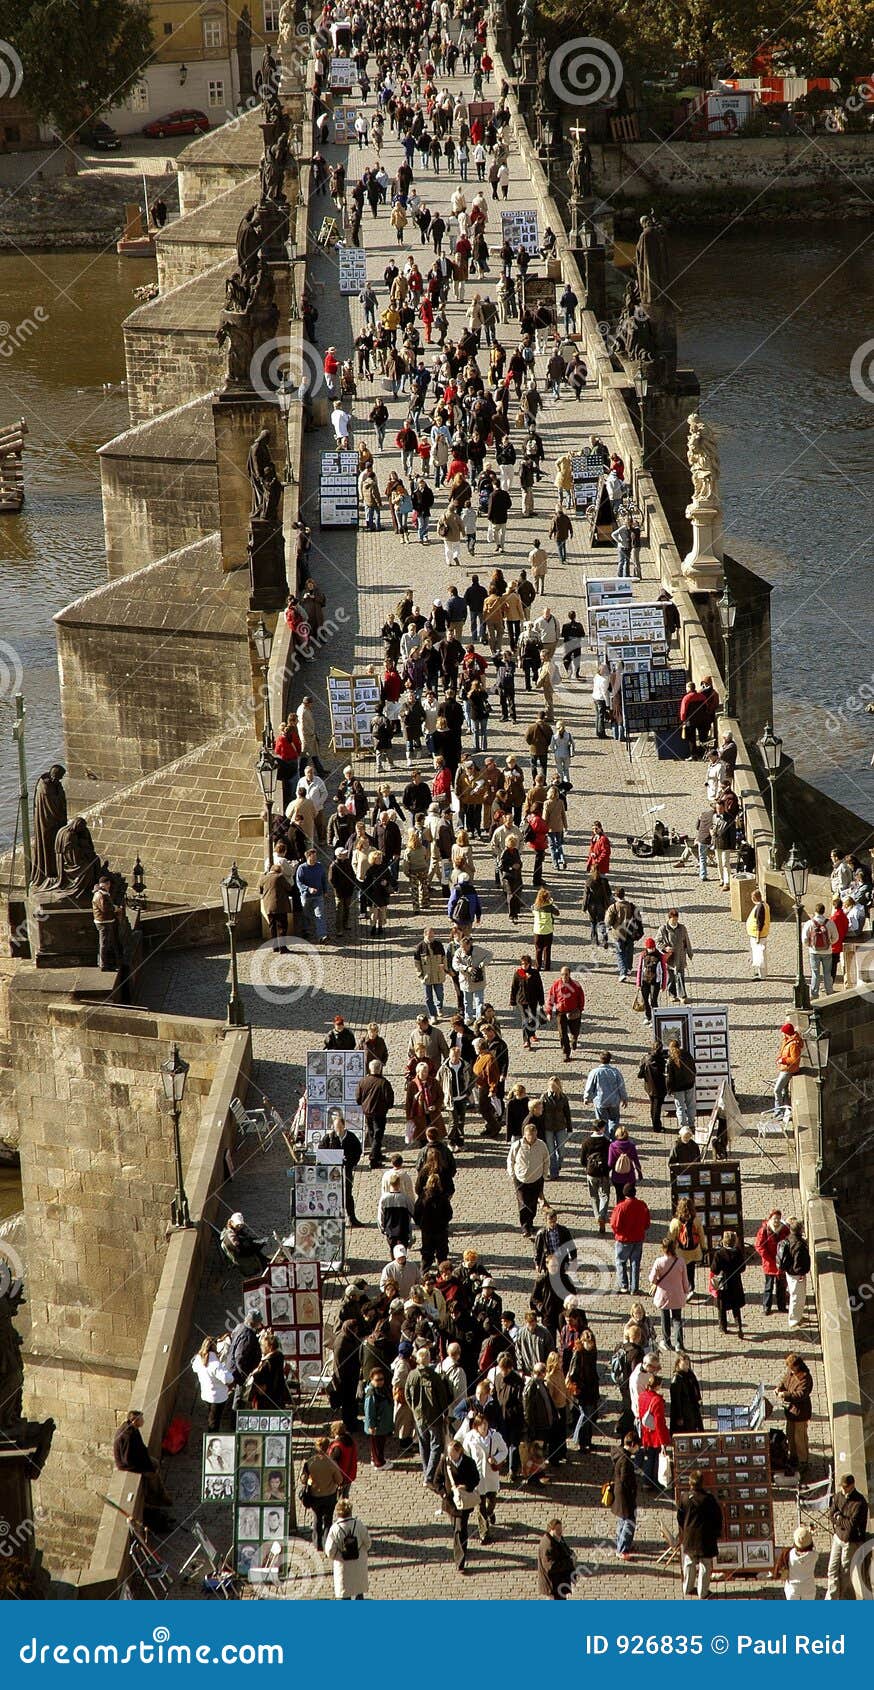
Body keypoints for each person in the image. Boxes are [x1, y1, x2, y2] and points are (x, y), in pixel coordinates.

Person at [406, 1346, 453, 1488]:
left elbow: (407, 1395)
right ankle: (429, 1476)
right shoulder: (434, 1376)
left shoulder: (412, 1375)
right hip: (434, 1417)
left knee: (423, 1444)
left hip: (419, 1417)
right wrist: (445, 1413)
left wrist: (414, 1410)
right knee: (436, 1446)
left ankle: (427, 1472)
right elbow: (442, 1397)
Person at [436, 1436, 481, 1573]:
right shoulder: (445, 1461)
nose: (450, 1455)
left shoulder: (469, 1462)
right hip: (450, 1503)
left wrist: (466, 1486)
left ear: (459, 1452)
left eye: (452, 1453)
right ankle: (460, 1547)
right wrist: (444, 1494)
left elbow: (476, 1479)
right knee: (456, 1528)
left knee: (460, 1529)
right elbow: (437, 1480)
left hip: (463, 1503)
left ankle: (460, 1561)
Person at [463, 1413, 509, 1543]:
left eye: (486, 1424)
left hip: (491, 1475)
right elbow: (466, 1454)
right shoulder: (470, 1438)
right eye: (482, 1425)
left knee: (492, 1500)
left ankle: (491, 1513)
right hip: (477, 1476)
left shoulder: (495, 1436)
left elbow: (504, 1450)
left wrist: (496, 1459)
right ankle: (484, 1533)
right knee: (480, 1504)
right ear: (476, 1426)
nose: (484, 1427)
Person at [677, 1470, 723, 1600]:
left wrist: (683, 1530)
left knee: (689, 1562)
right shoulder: (709, 1499)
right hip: (705, 1537)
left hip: (689, 1536)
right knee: (705, 1565)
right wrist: (716, 1532)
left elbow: (679, 1517)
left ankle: (687, 1587)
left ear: (690, 1483)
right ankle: (703, 1592)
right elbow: (717, 1517)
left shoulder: (684, 1497)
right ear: (702, 1483)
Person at [827, 1474, 869, 1598]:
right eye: (842, 1487)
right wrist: (840, 1518)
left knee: (845, 1573)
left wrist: (838, 1517)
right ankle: (833, 1599)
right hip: (838, 1538)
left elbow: (851, 1526)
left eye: (846, 1487)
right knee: (832, 1569)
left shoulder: (859, 1502)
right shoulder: (838, 1495)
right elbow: (831, 1514)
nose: (843, 1489)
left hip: (851, 1541)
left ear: (852, 1486)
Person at [299, 1436, 345, 1551]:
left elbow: (303, 1479)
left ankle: (317, 1543)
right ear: (328, 1448)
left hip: (315, 1496)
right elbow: (339, 1480)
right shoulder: (332, 1463)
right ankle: (327, 1543)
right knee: (328, 1520)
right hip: (329, 1496)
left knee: (317, 1519)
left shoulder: (310, 1462)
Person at [507, 1122, 549, 1239]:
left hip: (536, 1179)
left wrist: (544, 1175)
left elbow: (546, 1160)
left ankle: (530, 1223)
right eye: (529, 1135)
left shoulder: (541, 1145)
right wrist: (512, 1175)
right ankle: (525, 1227)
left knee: (532, 1203)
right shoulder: (517, 1145)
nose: (531, 1138)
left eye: (533, 1135)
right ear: (525, 1134)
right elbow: (510, 1160)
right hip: (521, 1179)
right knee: (523, 1204)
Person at [320, 1112, 363, 1226]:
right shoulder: (329, 1138)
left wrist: (349, 1162)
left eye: (339, 1127)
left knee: (348, 1195)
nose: (337, 1129)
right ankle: (335, 1219)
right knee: (333, 1195)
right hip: (332, 1172)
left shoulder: (351, 1138)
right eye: (335, 1127)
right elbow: (321, 1151)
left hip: (346, 1170)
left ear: (344, 1126)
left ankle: (352, 1218)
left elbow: (357, 1152)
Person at [648, 1236, 690, 1353]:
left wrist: (657, 1281)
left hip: (663, 1295)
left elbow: (652, 1278)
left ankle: (667, 1342)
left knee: (665, 1319)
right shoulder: (680, 1261)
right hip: (677, 1295)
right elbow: (685, 1280)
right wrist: (686, 1291)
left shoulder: (659, 1262)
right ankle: (679, 1344)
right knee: (677, 1319)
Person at [324, 1498, 371, 1598]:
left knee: (345, 1593)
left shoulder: (335, 1528)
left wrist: (338, 1555)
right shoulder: (358, 1524)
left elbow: (330, 1551)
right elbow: (368, 1543)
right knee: (359, 1591)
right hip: (358, 1564)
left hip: (343, 1566)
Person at [775, 1352, 813, 1474]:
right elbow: (785, 1381)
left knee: (800, 1439)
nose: (789, 1370)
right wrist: (779, 1388)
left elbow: (800, 1395)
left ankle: (803, 1461)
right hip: (790, 1411)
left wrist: (785, 1395)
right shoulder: (791, 1372)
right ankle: (793, 1457)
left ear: (797, 1366)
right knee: (790, 1435)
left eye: (791, 1368)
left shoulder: (805, 1378)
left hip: (800, 1413)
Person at [610, 1183, 651, 1293]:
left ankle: (624, 1285)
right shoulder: (642, 1205)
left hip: (624, 1240)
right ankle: (634, 1288)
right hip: (638, 1239)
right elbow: (647, 1223)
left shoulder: (620, 1207)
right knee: (635, 1263)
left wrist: (617, 1234)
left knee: (620, 1262)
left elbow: (614, 1224)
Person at [191, 1336, 233, 1431]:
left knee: (211, 1413)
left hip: (206, 1394)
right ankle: (212, 1436)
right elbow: (228, 1379)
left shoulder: (199, 1359)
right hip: (218, 1397)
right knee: (214, 1419)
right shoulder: (215, 1364)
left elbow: (194, 1368)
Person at [710, 1228, 746, 1337]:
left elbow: (714, 1269)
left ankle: (723, 1327)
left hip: (723, 1283)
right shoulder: (738, 1252)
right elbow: (742, 1268)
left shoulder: (719, 1253)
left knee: (722, 1306)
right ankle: (738, 1325)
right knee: (736, 1306)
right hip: (735, 1282)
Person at [545, 964, 585, 1062]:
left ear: (569, 974)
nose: (564, 977)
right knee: (562, 1034)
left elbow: (581, 997)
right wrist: (549, 1012)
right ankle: (566, 1053)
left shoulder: (576, 985)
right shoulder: (556, 985)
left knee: (575, 1030)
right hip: (560, 1012)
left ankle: (574, 1039)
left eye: (566, 974)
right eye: (562, 974)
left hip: (573, 1012)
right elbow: (551, 998)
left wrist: (580, 1009)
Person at [777, 1217, 811, 1330]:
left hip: (790, 1272)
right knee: (797, 1296)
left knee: (795, 1295)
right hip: (796, 1274)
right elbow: (798, 1262)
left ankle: (797, 1316)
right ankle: (794, 1320)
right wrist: (801, 1273)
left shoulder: (789, 1238)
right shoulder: (798, 1244)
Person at [579, 1116, 611, 1234]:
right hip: (603, 1173)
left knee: (593, 1196)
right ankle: (603, 1215)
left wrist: (586, 1167)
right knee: (605, 1196)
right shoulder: (607, 1142)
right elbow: (611, 1159)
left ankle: (597, 1216)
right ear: (602, 1129)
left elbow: (582, 1160)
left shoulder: (586, 1142)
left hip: (591, 1173)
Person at [668, 1196, 706, 1293]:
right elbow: (701, 1235)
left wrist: (669, 1252)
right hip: (694, 1251)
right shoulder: (696, 1220)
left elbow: (670, 1239)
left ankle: (683, 1289)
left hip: (680, 1252)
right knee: (691, 1270)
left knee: (680, 1272)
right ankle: (691, 1287)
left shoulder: (675, 1222)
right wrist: (704, 1248)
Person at [583, 1050, 628, 1134]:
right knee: (614, 1120)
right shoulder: (615, 1072)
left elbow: (589, 1086)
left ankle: (605, 1138)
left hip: (600, 1101)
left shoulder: (595, 1072)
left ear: (600, 1059)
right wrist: (624, 1098)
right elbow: (621, 1087)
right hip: (614, 1101)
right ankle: (613, 1137)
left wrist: (586, 1097)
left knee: (602, 1122)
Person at [611, 1431, 640, 1559]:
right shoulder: (626, 1460)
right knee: (629, 1521)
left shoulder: (620, 1454)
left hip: (620, 1493)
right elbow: (625, 1479)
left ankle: (621, 1544)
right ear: (633, 1444)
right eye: (637, 1446)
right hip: (625, 1495)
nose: (638, 1448)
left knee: (622, 1520)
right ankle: (622, 1549)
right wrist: (632, 1491)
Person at [755, 1208, 789, 1313]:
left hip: (781, 1262)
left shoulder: (784, 1229)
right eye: (774, 1218)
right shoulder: (764, 1230)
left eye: (778, 1218)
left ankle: (781, 1306)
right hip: (769, 1263)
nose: (776, 1221)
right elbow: (759, 1246)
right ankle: (767, 1307)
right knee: (768, 1286)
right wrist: (769, 1258)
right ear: (770, 1218)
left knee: (781, 1286)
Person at [802, 902, 839, 998]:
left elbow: (804, 939)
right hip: (827, 951)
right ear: (824, 911)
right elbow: (836, 937)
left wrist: (810, 945)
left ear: (815, 911)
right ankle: (829, 991)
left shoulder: (809, 923)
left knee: (815, 973)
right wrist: (830, 943)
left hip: (814, 952)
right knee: (827, 973)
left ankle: (814, 993)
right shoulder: (830, 923)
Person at [656, 909, 693, 1002]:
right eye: (673, 919)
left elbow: (686, 940)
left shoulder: (682, 928)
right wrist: (665, 948)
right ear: (669, 918)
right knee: (671, 977)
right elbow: (658, 942)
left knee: (680, 976)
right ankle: (672, 994)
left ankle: (683, 996)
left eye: (676, 919)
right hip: (670, 958)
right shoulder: (663, 929)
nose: (675, 921)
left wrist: (689, 952)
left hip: (680, 956)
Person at [541, 1075, 572, 1178]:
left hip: (560, 1127)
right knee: (551, 1151)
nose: (552, 1088)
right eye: (551, 1086)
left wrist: (569, 1128)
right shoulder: (544, 1097)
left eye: (554, 1086)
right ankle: (554, 1173)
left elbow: (567, 1113)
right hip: (548, 1127)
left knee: (561, 1151)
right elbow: (540, 1113)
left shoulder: (563, 1097)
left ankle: (557, 1165)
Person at [363, 1368, 394, 1470]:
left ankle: (376, 1459)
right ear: (371, 1379)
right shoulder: (372, 1394)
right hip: (377, 1425)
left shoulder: (381, 1390)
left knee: (379, 1444)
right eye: (377, 1380)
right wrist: (372, 1426)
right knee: (377, 1444)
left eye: (382, 1379)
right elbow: (369, 1411)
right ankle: (379, 1463)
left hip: (382, 1424)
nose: (380, 1382)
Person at [537, 1518, 576, 1599]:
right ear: (551, 1529)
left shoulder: (558, 1538)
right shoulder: (547, 1544)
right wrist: (570, 1562)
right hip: (552, 1585)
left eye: (561, 1529)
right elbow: (551, 1566)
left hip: (559, 1583)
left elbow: (565, 1550)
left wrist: (571, 1554)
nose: (560, 1531)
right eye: (557, 1529)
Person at [221, 1212, 268, 1276]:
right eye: (238, 1224)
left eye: (241, 1224)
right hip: (246, 1261)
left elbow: (247, 1239)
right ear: (231, 1222)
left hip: (248, 1254)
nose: (240, 1226)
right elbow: (243, 1250)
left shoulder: (236, 1230)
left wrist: (257, 1241)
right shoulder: (231, 1237)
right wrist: (258, 1246)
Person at [777, 1524, 817, 1600]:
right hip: (808, 1589)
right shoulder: (814, 1556)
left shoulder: (789, 1554)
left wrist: (802, 1538)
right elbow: (811, 1547)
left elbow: (796, 1547)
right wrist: (809, 1535)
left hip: (793, 1590)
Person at [773, 1020, 803, 1117]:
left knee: (777, 1090)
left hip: (788, 1070)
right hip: (785, 1068)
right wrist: (780, 1058)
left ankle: (779, 1111)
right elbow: (783, 1053)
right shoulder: (786, 1041)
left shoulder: (793, 1044)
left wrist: (783, 1060)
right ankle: (785, 1109)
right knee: (783, 1091)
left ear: (787, 1033)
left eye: (783, 1032)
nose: (782, 1034)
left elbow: (794, 1059)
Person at [665, 1038, 696, 1131]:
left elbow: (669, 1077)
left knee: (680, 1107)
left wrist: (669, 1089)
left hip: (678, 1087)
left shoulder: (671, 1060)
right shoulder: (687, 1054)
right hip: (689, 1084)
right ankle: (691, 1124)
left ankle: (683, 1127)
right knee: (691, 1105)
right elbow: (693, 1068)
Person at [638, 1039, 668, 1133]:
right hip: (658, 1088)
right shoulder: (660, 1061)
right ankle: (656, 1127)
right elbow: (663, 1072)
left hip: (649, 1086)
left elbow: (641, 1072)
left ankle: (655, 1124)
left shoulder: (645, 1058)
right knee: (656, 1108)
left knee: (653, 1106)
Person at [607, 1123, 642, 1202]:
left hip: (617, 1176)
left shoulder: (612, 1146)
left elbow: (610, 1163)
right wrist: (639, 1173)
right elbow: (636, 1161)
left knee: (619, 1196)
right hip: (630, 1177)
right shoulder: (631, 1146)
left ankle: (620, 1210)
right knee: (630, 1197)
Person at [669, 1352, 703, 1433]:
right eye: (684, 1364)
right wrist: (679, 1416)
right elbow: (675, 1400)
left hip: (692, 1407)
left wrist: (698, 1398)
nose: (686, 1366)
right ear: (678, 1364)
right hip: (684, 1411)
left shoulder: (690, 1373)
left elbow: (695, 1386)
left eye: (687, 1364)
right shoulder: (677, 1378)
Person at [636, 936, 666, 1024]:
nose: (651, 950)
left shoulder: (660, 956)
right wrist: (638, 983)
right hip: (645, 981)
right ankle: (648, 1016)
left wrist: (663, 984)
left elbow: (664, 971)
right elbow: (639, 969)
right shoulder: (643, 955)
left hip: (655, 982)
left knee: (653, 1000)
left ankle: (655, 1018)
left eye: (652, 948)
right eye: (649, 948)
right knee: (645, 999)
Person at [746, 886, 771, 979]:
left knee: (759, 955)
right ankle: (764, 972)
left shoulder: (759, 907)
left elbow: (759, 923)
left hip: (758, 935)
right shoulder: (764, 905)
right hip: (763, 933)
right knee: (762, 953)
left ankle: (762, 975)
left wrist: (757, 936)